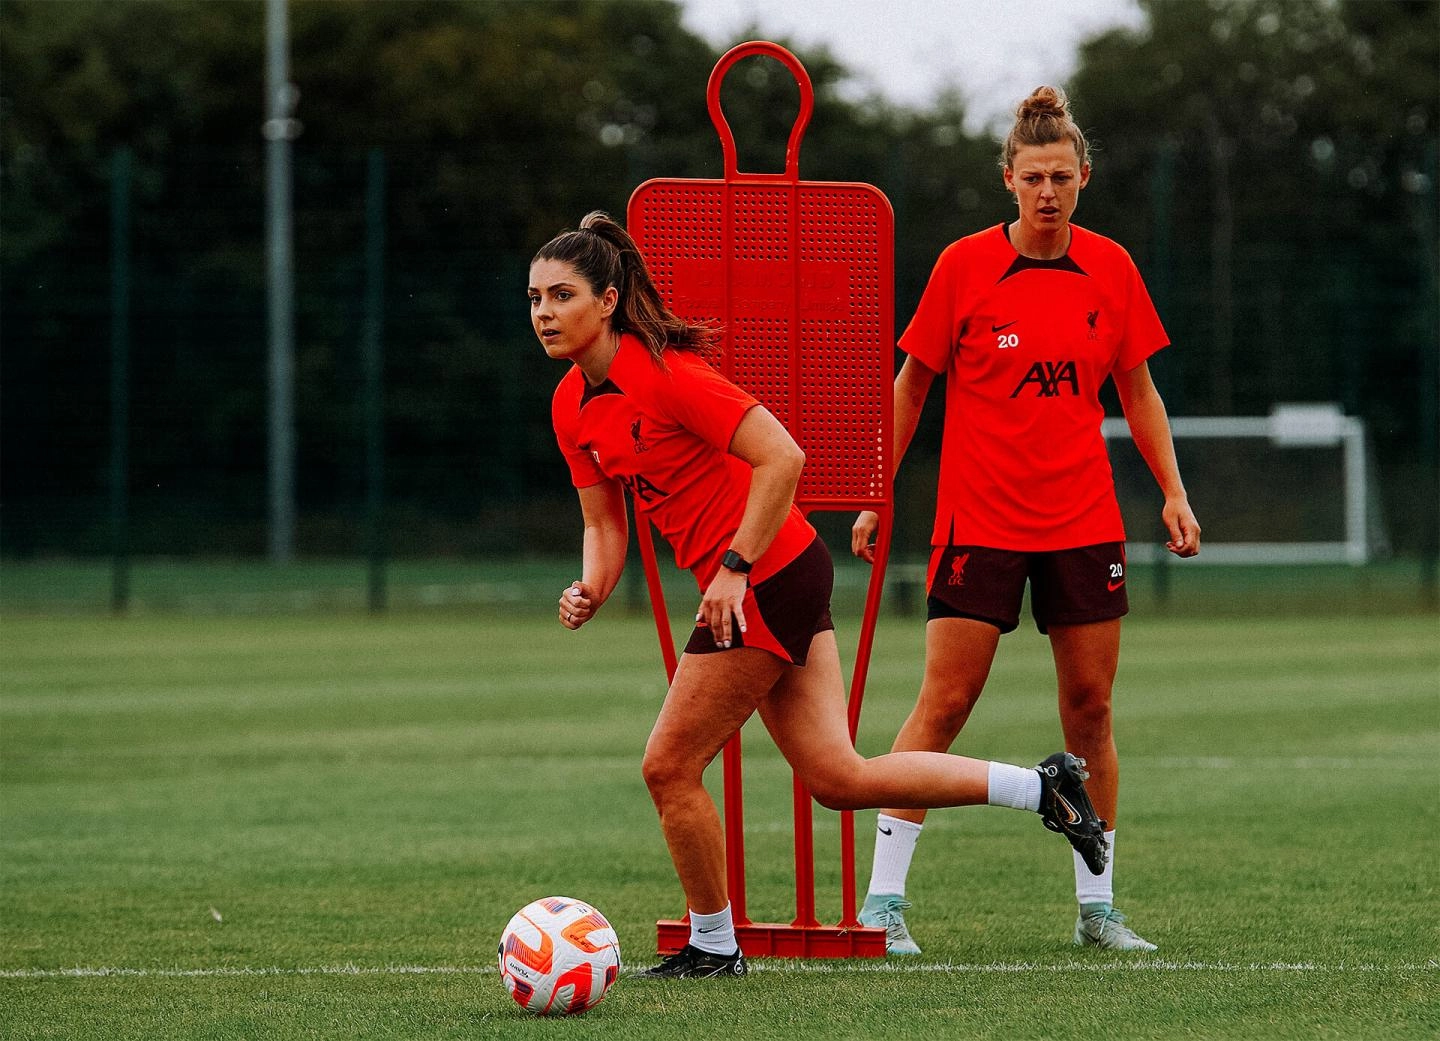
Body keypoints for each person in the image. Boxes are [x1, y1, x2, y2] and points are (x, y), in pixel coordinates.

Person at [533, 210, 1111, 979]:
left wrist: (734, 566)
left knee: (668, 766)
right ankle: (1044, 787)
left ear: (607, 301)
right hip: (777, 573)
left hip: (768, 573)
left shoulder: (668, 373)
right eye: (535, 297)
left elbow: (783, 457)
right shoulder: (571, 405)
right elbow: (604, 522)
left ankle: (712, 943)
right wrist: (590, 588)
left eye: (561, 295)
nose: (543, 311)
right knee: (838, 778)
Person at [852, 86, 1201, 955]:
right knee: (946, 702)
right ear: (1008, 179)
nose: (1048, 191)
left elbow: (1140, 390)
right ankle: (882, 902)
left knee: (1090, 711)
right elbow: (911, 386)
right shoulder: (963, 266)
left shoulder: (1113, 269)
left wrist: (1174, 491)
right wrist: (875, 490)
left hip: (1084, 520)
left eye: (1062, 177)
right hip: (979, 521)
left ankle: (1098, 908)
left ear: (1085, 177)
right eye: (1032, 176)